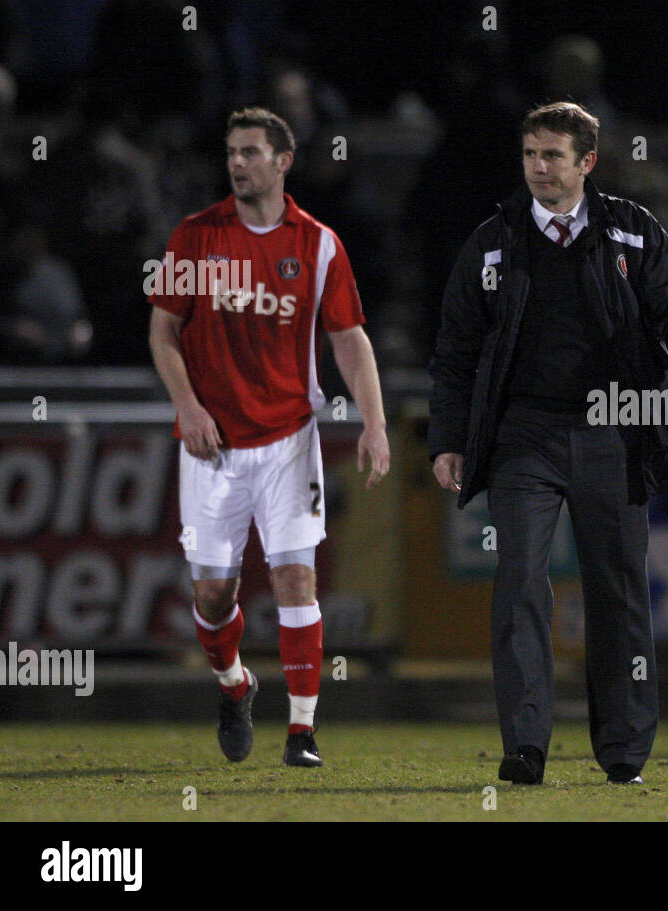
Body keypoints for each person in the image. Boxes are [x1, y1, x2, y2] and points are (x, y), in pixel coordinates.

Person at [428, 101, 668, 786]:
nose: (538, 167)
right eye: (530, 154)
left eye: (553, 155)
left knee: (618, 590)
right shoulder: (494, 240)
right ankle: (525, 744)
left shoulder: (633, 233)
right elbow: (456, 345)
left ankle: (623, 750)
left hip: (613, 429)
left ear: (587, 161)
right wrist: (448, 437)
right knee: (521, 578)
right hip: (522, 436)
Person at [149, 108, 390, 767]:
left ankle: (302, 731)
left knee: (294, 575)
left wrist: (375, 421)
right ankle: (235, 684)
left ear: (283, 161)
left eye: (251, 151)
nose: (238, 162)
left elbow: (350, 337)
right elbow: (163, 333)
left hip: (289, 437)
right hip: (212, 444)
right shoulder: (195, 237)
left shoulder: (317, 244)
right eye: (232, 151)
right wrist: (190, 408)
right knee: (212, 593)